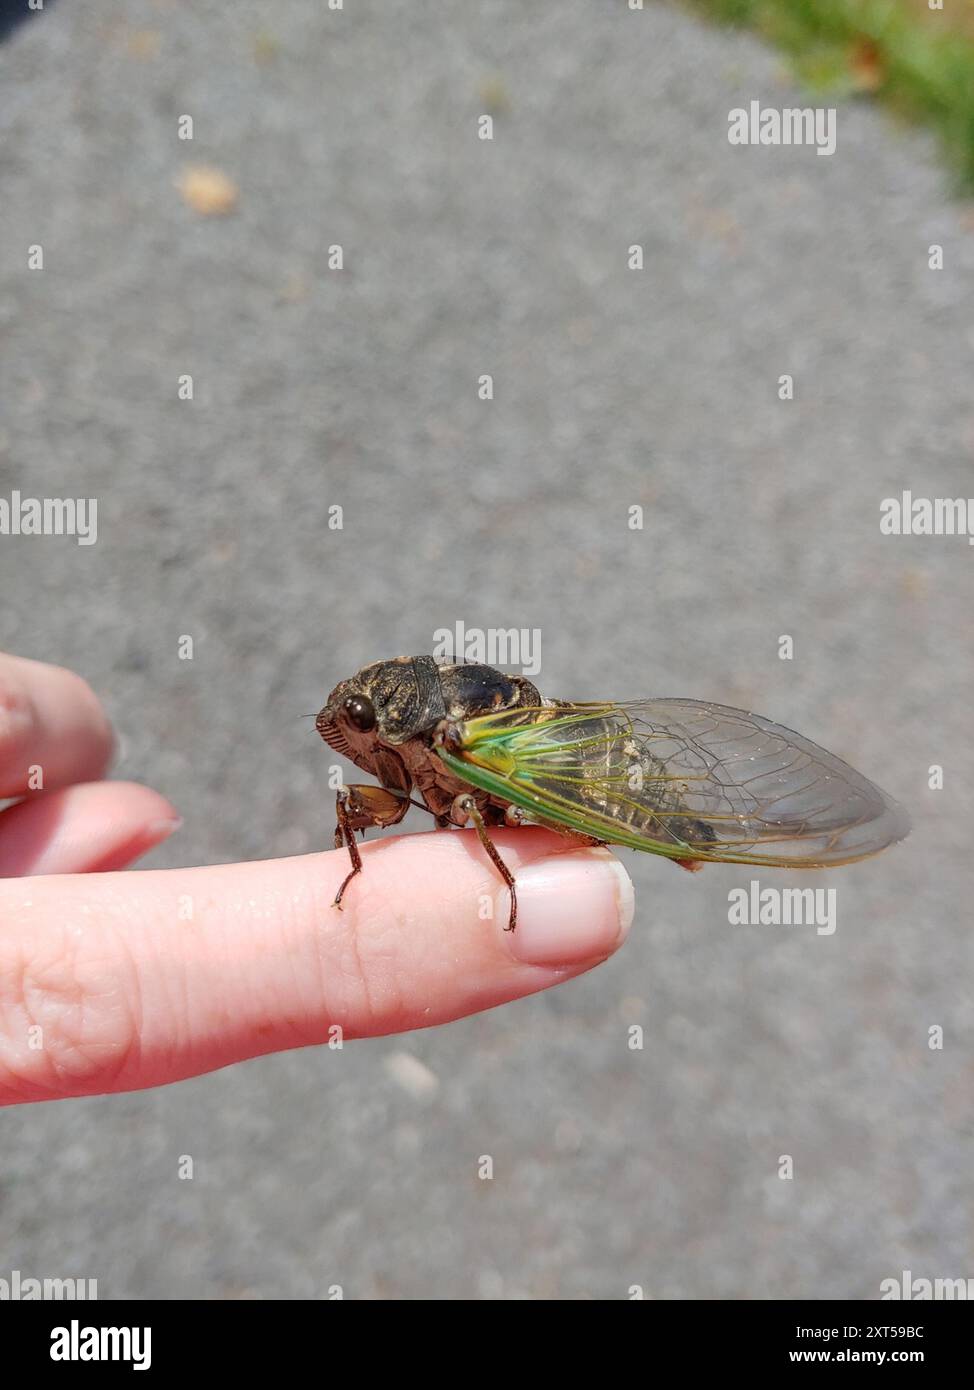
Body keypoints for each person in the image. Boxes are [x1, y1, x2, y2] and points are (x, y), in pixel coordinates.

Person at [0, 651, 633, 1106]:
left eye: (357, 718)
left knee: (478, 807)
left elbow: (462, 807)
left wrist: (509, 887)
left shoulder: (448, 739)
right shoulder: (411, 732)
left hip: (543, 770)